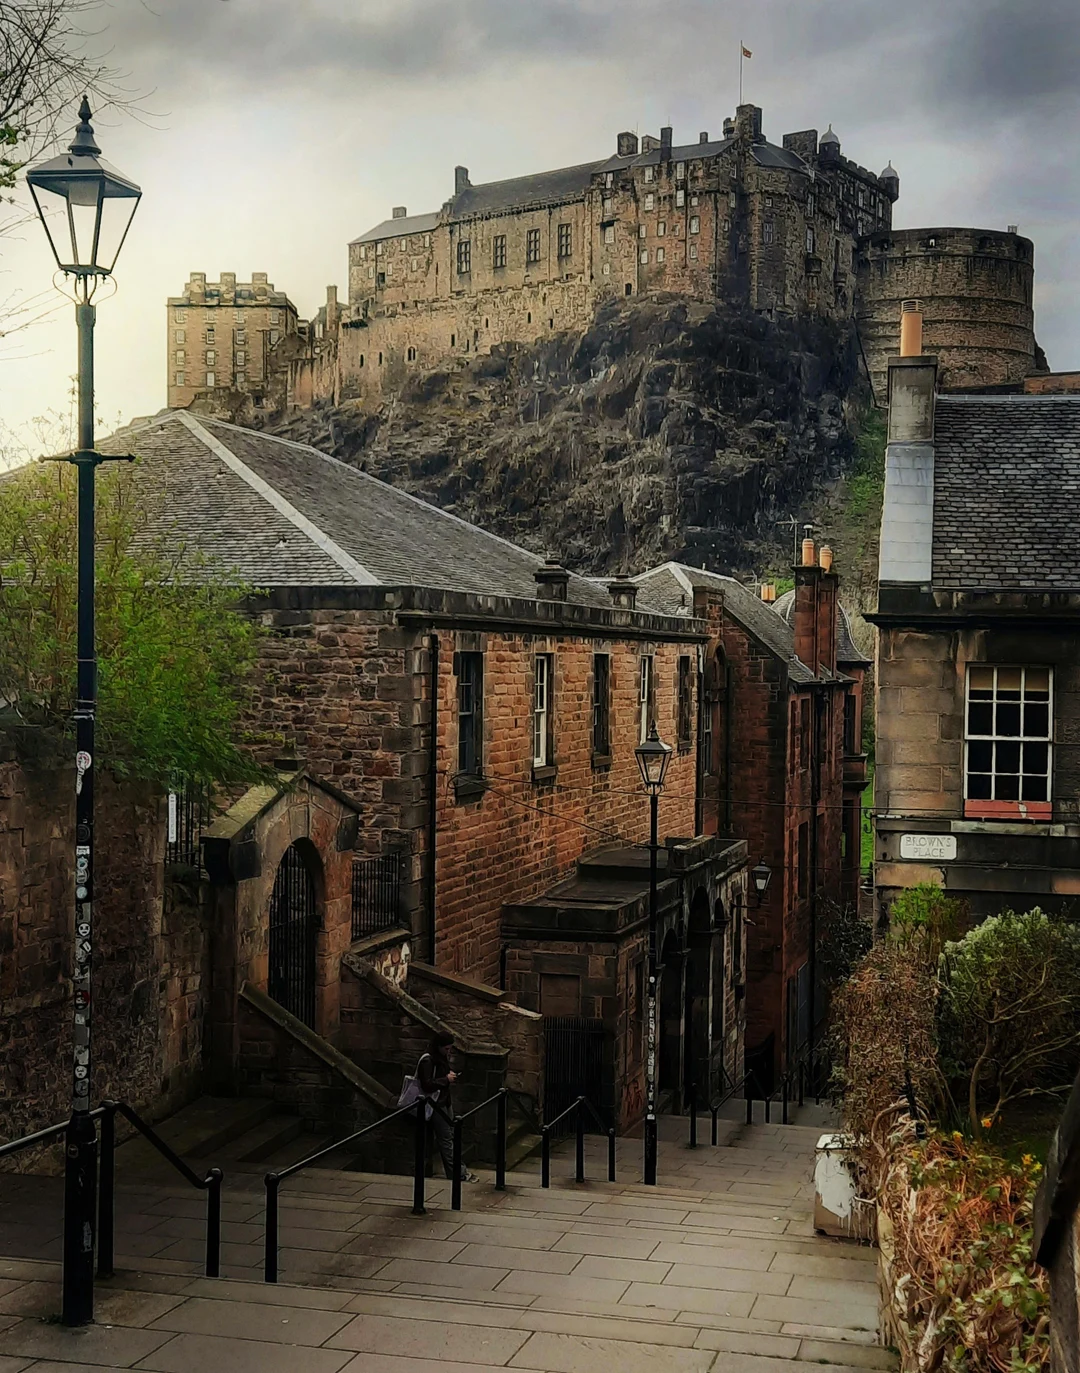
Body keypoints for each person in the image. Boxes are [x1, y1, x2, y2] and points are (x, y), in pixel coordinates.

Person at [417, 1029, 477, 1183]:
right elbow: (427, 1084)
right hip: (435, 1104)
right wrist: (446, 1079)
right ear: (438, 1046)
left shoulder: (440, 1058)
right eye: (446, 1048)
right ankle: (458, 1173)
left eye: (450, 1048)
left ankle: (458, 1171)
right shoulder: (427, 1060)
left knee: (449, 1137)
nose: (449, 1051)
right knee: (446, 1139)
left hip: (444, 1102)